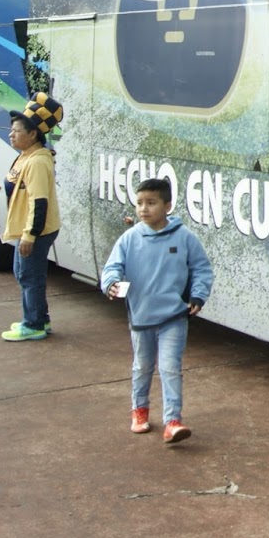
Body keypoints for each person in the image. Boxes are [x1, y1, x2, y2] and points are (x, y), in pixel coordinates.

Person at [100, 176, 214, 443]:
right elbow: (112, 267)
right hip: (141, 317)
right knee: (142, 366)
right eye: (139, 203)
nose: (143, 208)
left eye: (151, 203)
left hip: (174, 316)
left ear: (168, 206)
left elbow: (201, 268)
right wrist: (111, 284)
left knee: (170, 368)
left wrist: (198, 295)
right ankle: (139, 410)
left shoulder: (184, 237)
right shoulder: (129, 238)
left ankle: (172, 421)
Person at [1, 92, 64, 342]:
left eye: (16, 131)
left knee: (29, 275)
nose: (11, 134)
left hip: (37, 230)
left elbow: (39, 202)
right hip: (28, 228)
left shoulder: (37, 162)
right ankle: (40, 318)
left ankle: (34, 324)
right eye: (12, 130)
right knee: (24, 272)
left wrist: (30, 235)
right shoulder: (27, 155)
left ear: (33, 134)